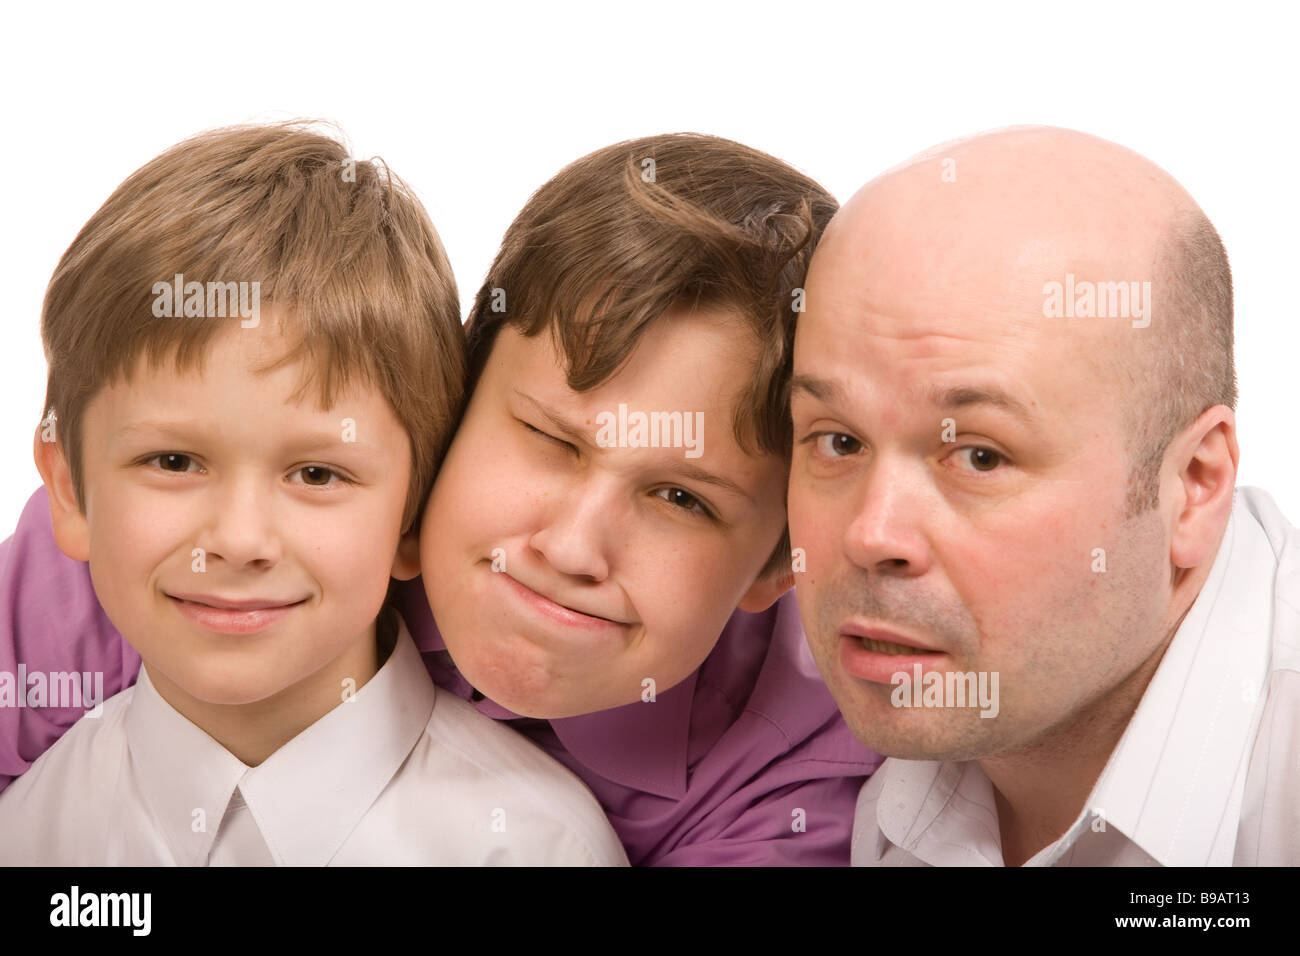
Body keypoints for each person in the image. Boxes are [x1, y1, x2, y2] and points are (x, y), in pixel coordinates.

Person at [0, 131, 881, 865]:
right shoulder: (121, 562)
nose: (573, 548)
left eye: (682, 498)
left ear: (784, 558)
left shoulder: (786, 783)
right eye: (550, 438)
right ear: (456, 392)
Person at [788, 125, 1299, 866]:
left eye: (979, 456)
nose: (872, 535)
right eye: (839, 441)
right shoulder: (827, 761)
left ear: (1193, 487)